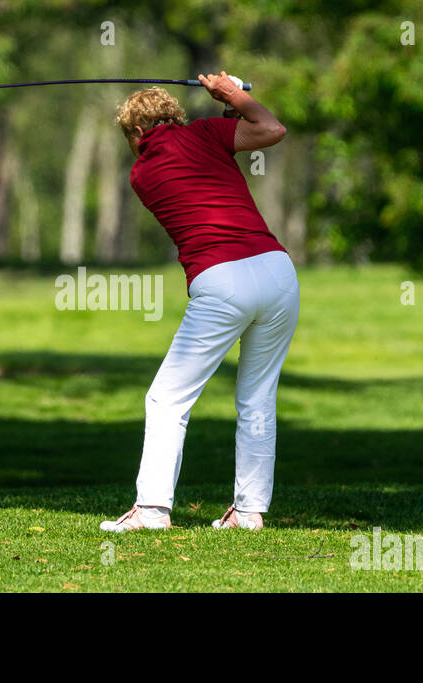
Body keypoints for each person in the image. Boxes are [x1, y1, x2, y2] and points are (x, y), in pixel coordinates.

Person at [100, 71, 298, 532]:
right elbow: (271, 130)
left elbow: (239, 144)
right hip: (278, 272)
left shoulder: (142, 172)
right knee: (257, 398)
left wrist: (230, 104)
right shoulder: (207, 134)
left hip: (222, 280)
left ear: (136, 133)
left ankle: (151, 511)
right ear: (176, 117)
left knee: (167, 398)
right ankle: (249, 512)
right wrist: (234, 97)